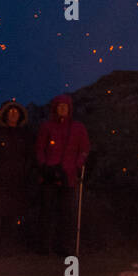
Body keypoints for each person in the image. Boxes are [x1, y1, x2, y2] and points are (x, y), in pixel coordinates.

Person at [35, 93, 90, 255]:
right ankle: (45, 246)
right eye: (60, 106)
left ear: (70, 108)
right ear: (55, 108)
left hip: (69, 175)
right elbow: (39, 148)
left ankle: (64, 246)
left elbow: (85, 148)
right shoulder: (47, 127)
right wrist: (43, 165)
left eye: (65, 106)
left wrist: (78, 164)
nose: (63, 108)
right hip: (49, 174)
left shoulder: (78, 128)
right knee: (47, 212)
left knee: (66, 213)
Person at [0, 101, 33, 255]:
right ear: (4, 114)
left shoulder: (24, 135)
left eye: (15, 112)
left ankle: (8, 247)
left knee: (12, 216)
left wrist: (25, 172)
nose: (13, 114)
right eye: (10, 111)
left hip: (17, 180)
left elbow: (29, 156)